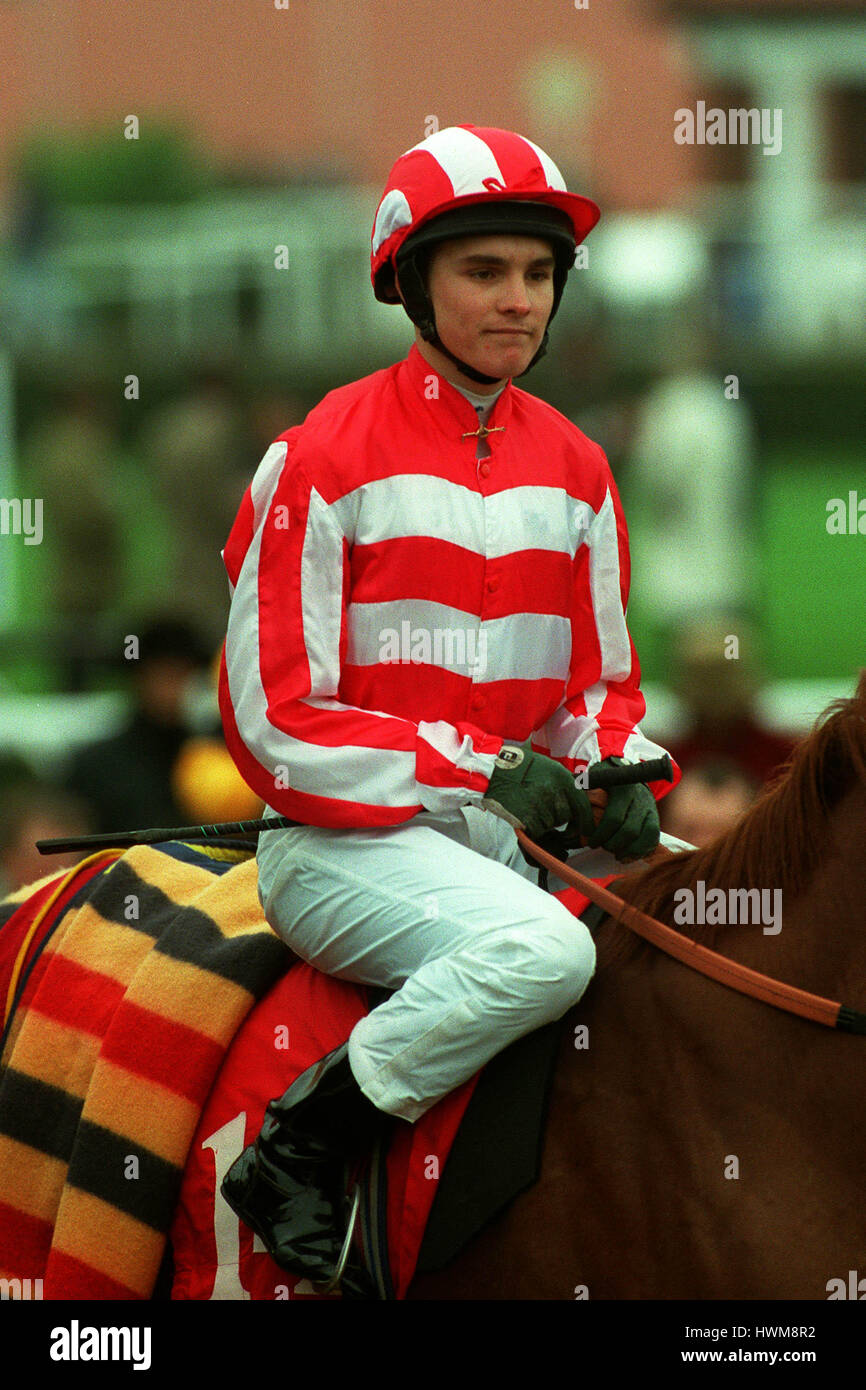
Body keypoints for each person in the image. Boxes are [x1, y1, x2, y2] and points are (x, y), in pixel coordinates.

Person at [218, 125, 679, 1290]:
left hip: (498, 845)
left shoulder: (577, 469)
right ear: (411, 283)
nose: (517, 301)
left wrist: (625, 771)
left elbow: (597, 697)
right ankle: (297, 1146)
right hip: (339, 851)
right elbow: (277, 723)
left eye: (535, 274)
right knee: (546, 952)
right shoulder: (317, 458)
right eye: (484, 272)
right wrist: (474, 771)